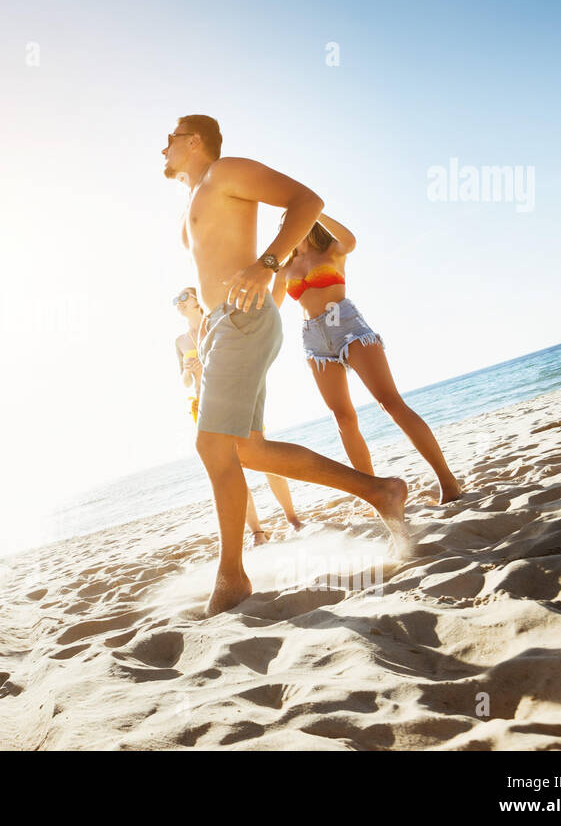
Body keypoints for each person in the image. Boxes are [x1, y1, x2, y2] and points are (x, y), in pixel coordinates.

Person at [162, 115, 413, 616]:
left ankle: (232, 577)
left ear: (193, 141)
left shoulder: (224, 172)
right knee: (247, 450)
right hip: (222, 325)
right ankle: (380, 491)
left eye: (168, 139)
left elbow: (308, 202)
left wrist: (268, 263)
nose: (161, 149)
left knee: (211, 444)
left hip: (245, 319)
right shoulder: (195, 199)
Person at [271, 213, 462, 503]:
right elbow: (271, 306)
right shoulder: (285, 269)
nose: (292, 227)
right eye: (286, 224)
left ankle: (448, 482)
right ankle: (376, 495)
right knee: (343, 418)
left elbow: (350, 240)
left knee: (390, 402)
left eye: (296, 219)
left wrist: (313, 209)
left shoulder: (332, 251)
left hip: (346, 326)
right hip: (313, 338)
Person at [174, 286, 301, 543]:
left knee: (263, 454)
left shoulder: (216, 321)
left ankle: (293, 519)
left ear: (198, 299)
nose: (179, 302)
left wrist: (206, 362)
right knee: (229, 468)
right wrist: (189, 370)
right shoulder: (180, 341)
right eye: (175, 300)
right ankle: (256, 532)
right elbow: (185, 382)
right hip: (202, 404)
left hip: (232, 395)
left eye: (184, 297)